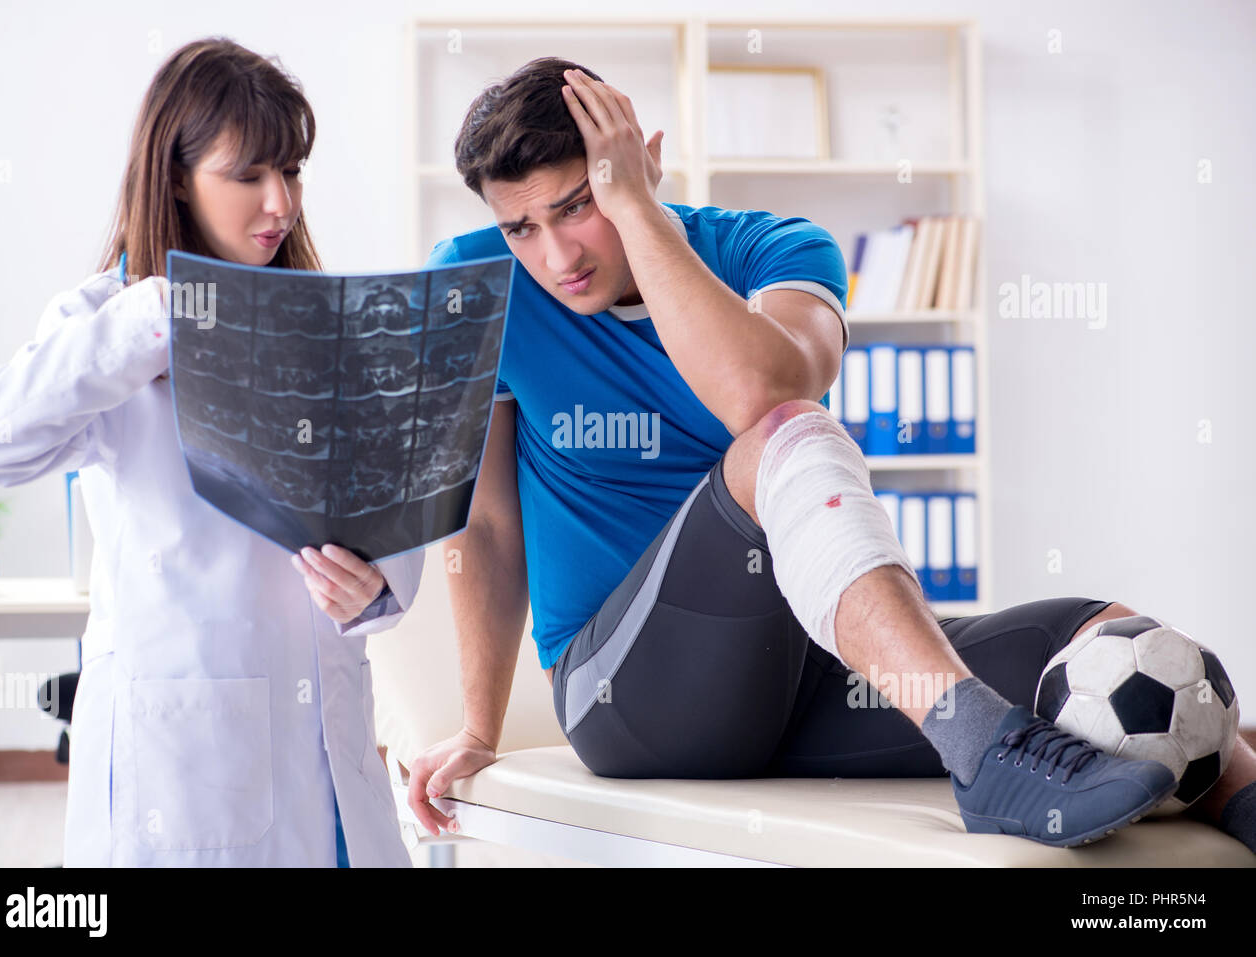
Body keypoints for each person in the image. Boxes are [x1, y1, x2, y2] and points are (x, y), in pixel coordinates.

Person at [407, 56, 1256, 852]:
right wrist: (479, 731)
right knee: (783, 435)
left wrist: (636, 213)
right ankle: (982, 748)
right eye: (519, 225)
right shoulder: (471, 282)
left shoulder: (775, 248)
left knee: (1102, 638)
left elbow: (767, 379)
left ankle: (1243, 801)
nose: (555, 256)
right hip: (625, 694)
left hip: (796, 680)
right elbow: (484, 524)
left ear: (636, 165)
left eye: (575, 206)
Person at [0, 38, 423, 867]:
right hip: (187, 764)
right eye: (248, 175)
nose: (281, 201)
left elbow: (394, 510)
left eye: (293, 170)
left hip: (335, 752)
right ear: (175, 174)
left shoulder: (329, 320)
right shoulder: (109, 322)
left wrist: (381, 578)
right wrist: (150, 323)